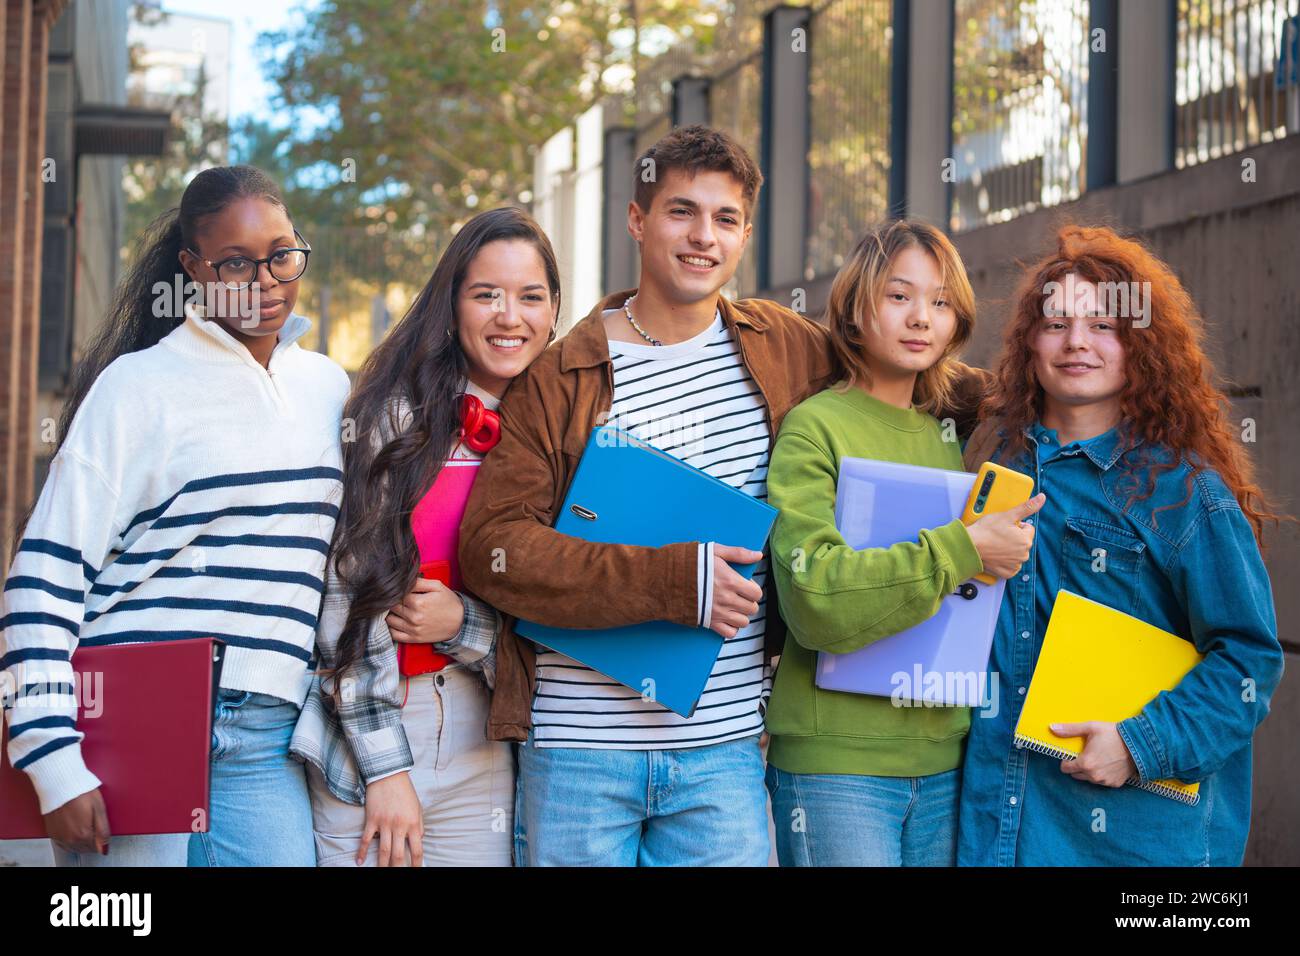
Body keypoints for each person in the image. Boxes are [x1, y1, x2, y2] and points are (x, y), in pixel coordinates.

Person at [458, 126, 986, 866]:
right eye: (682, 212)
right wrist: (672, 581)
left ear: (743, 235)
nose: (704, 236)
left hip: (726, 751)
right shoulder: (561, 373)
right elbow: (494, 551)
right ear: (638, 221)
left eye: (726, 218)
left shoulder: (786, 347)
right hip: (580, 751)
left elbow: (919, 376)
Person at [0, 165, 349, 866]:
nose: (268, 281)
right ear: (192, 267)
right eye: (236, 264)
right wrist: (52, 760)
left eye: (283, 254)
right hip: (135, 725)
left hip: (268, 734)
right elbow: (43, 581)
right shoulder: (135, 389)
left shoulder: (329, 388)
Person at [957, 224, 1285, 866]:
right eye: (1055, 324)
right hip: (998, 828)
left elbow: (1247, 660)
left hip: (1131, 844)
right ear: (1029, 344)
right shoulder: (993, 465)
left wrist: (1142, 743)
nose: (1076, 341)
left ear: (1140, 344)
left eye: (1103, 325)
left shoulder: (1185, 493)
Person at [763, 220, 1039, 866]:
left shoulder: (961, 433)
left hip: (949, 761)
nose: (922, 318)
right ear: (855, 313)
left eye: (941, 302)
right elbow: (814, 599)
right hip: (836, 767)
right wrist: (963, 551)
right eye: (899, 297)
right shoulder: (815, 427)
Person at [290, 207, 559, 866]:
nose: (509, 316)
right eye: (485, 294)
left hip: (486, 736)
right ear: (452, 303)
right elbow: (343, 600)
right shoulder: (394, 419)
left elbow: (561, 609)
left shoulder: (565, 433)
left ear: (554, 310)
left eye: (531, 296)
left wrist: (461, 622)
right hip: (373, 729)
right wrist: (386, 773)